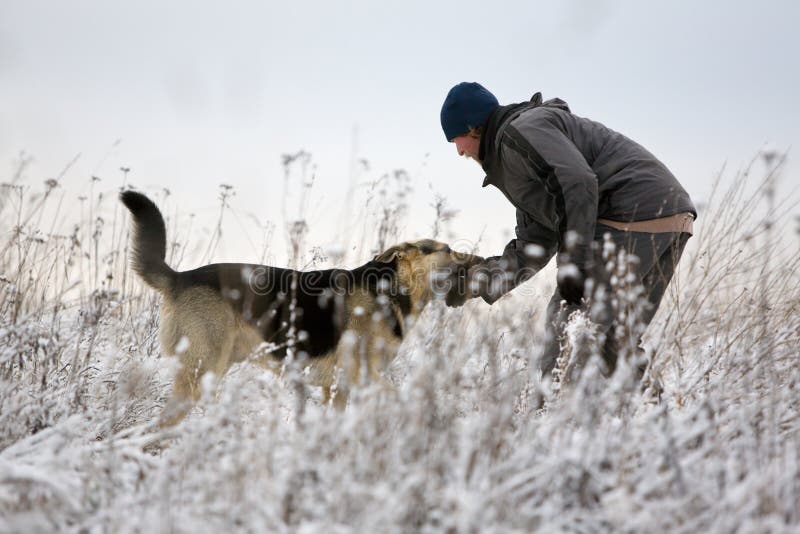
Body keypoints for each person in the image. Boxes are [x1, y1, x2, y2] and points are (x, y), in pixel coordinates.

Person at [440, 82, 696, 378]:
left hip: (631, 211)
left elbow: (576, 181)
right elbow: (532, 246)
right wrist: (472, 282)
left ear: (473, 127)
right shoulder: (515, 157)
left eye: (456, 138)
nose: (459, 151)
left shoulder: (521, 133)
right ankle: (658, 409)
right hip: (670, 218)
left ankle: (549, 407)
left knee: (565, 327)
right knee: (612, 342)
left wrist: (574, 263)